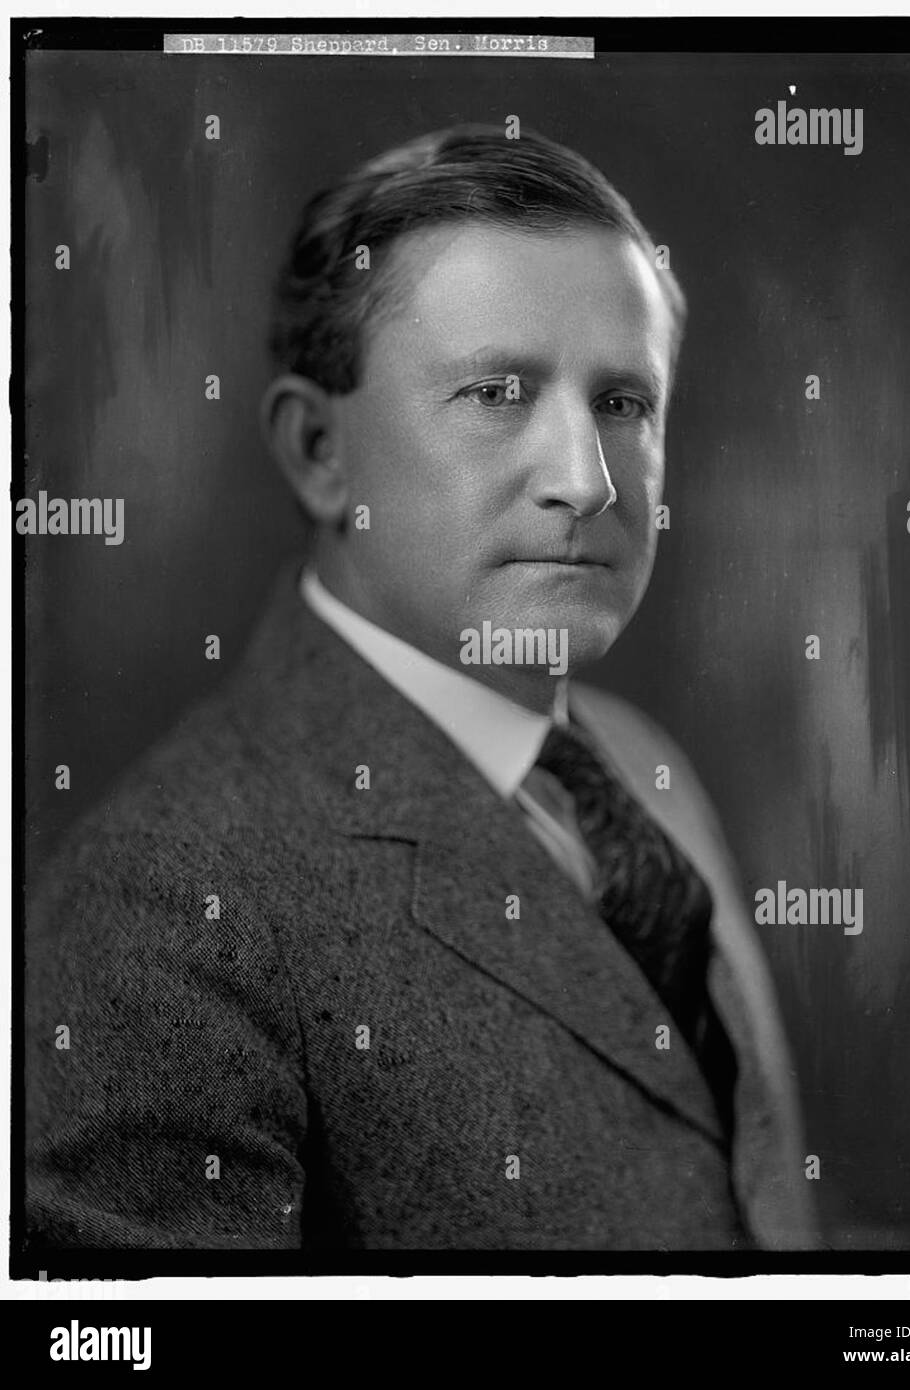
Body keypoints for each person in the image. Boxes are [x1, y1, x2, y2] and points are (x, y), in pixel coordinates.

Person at [24, 125, 816, 1253]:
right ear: (317, 451)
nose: (586, 483)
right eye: (497, 390)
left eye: (624, 403)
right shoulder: (162, 911)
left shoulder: (643, 768)